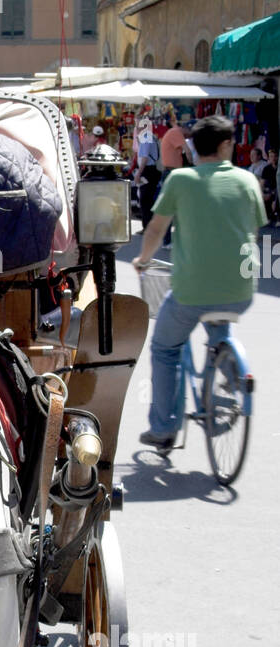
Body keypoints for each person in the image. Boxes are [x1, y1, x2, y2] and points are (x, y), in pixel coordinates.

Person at [133, 115, 266, 451]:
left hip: (192, 292)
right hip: (241, 290)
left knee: (165, 349)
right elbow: (255, 230)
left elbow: (154, 230)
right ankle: (230, 376)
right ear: (224, 146)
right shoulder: (247, 180)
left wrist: (143, 260)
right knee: (219, 323)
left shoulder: (181, 179)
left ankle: (164, 427)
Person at [131, 115, 161, 228]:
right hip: (149, 170)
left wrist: (139, 173)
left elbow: (144, 158)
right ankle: (148, 225)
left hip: (147, 171)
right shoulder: (148, 136)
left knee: (145, 200)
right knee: (147, 199)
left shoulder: (146, 136)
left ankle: (148, 227)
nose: (136, 127)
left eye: (137, 124)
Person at [158, 106, 191, 182]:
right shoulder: (176, 132)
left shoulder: (173, 131)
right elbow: (188, 151)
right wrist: (193, 165)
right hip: (172, 171)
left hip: (170, 169)